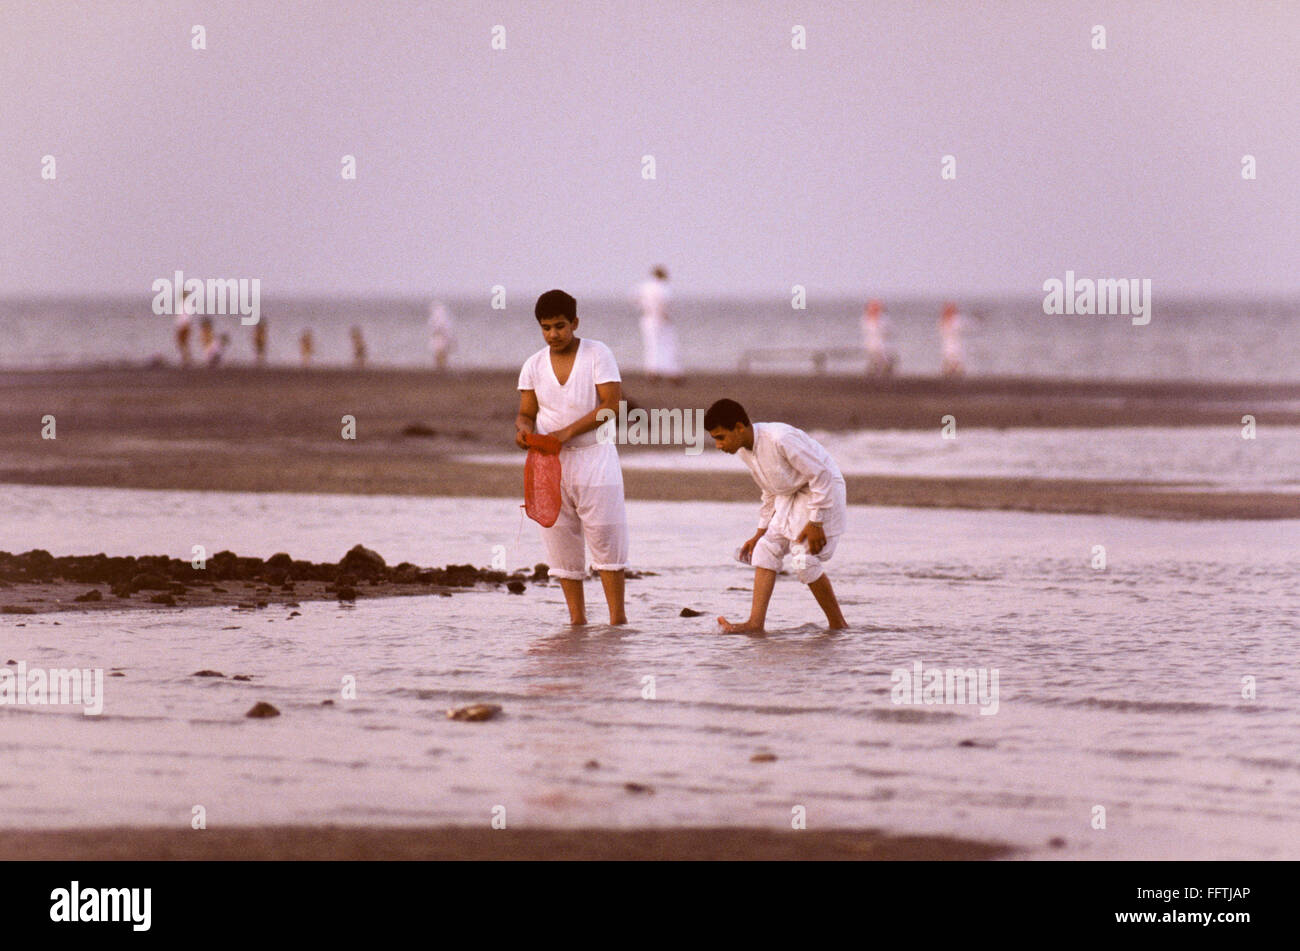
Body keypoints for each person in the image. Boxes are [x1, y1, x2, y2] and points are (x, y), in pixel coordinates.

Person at [515, 289, 628, 625]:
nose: (553, 334)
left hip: (596, 458)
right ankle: (577, 623)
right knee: (561, 545)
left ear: (575, 322)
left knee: (606, 543)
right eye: (546, 327)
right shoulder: (533, 365)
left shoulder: (598, 354)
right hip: (550, 464)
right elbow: (525, 412)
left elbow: (612, 407)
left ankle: (617, 622)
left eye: (560, 326)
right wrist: (522, 430)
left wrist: (565, 433)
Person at [705, 398, 847, 633]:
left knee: (804, 560)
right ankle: (754, 624)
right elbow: (769, 491)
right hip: (790, 494)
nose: (719, 445)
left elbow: (821, 475)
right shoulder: (744, 452)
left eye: (721, 437)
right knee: (763, 549)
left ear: (739, 428)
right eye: (715, 439)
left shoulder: (780, 438)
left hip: (821, 490)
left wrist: (816, 521)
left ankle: (838, 624)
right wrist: (759, 532)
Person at [635, 265, 683, 384]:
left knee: (651, 345)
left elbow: (634, 298)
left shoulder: (644, 286)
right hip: (662, 318)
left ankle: (653, 370)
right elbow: (667, 302)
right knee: (668, 345)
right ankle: (671, 372)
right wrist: (665, 313)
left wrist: (642, 308)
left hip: (647, 317)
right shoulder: (664, 287)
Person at [862, 299, 897, 377]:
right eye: (872, 307)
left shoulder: (885, 320)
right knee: (872, 369)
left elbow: (889, 333)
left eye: (876, 307)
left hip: (884, 348)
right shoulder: (865, 319)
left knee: (885, 368)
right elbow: (868, 333)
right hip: (872, 347)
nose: (874, 308)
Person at [940, 302, 965, 378]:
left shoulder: (952, 321)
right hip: (950, 346)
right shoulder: (948, 322)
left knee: (954, 363)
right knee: (951, 363)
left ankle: (954, 375)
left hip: (953, 346)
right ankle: (949, 375)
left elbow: (965, 326)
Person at [428, 301, 455, 370]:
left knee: (441, 352)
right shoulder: (442, 318)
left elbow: (439, 328)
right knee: (440, 352)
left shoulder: (438, 318)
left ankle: (441, 367)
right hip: (439, 337)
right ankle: (440, 367)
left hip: (440, 337)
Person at [175, 289, 194, 367]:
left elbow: (186, 317)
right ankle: (186, 359)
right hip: (182, 325)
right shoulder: (184, 304)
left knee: (183, 343)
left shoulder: (185, 305)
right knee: (183, 343)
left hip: (183, 326)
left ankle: (186, 359)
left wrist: (184, 326)